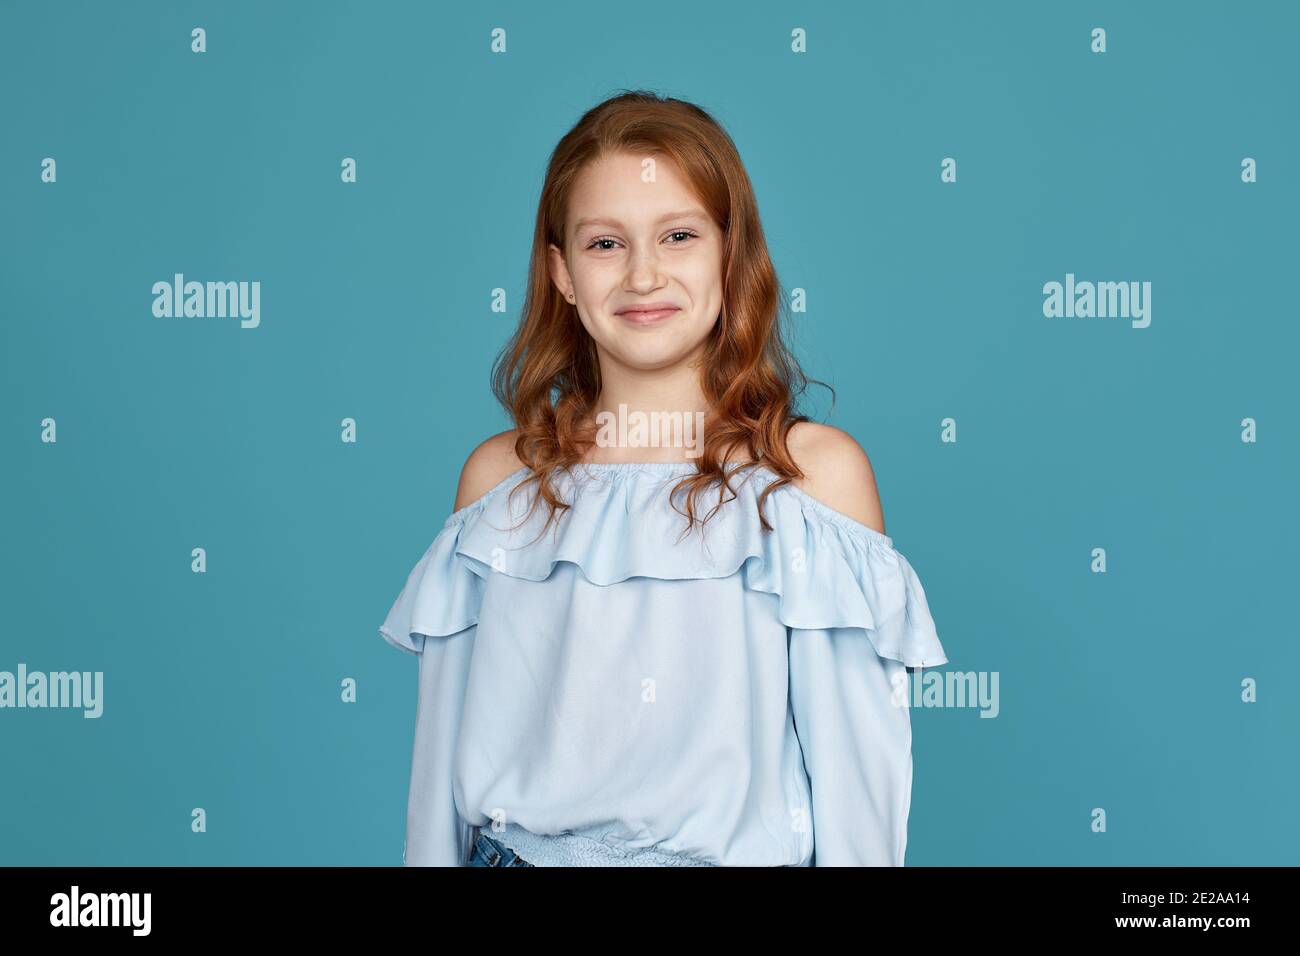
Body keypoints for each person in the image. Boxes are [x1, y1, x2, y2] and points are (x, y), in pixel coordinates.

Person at [379, 90, 948, 867]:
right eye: (606, 244)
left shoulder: (807, 480)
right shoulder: (499, 482)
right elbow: (440, 762)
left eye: (678, 235)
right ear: (563, 273)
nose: (643, 275)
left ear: (728, 253)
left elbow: (858, 786)